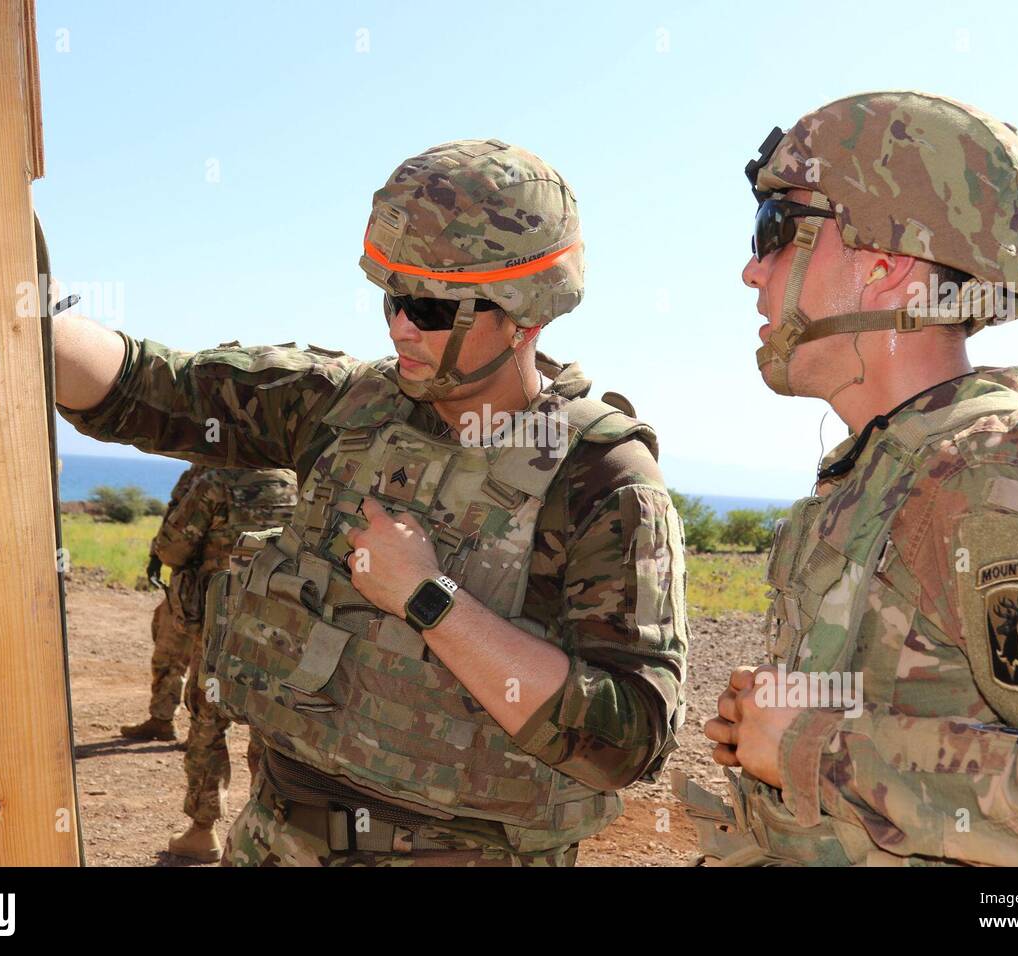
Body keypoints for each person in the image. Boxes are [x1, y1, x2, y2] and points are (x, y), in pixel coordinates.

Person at [53, 139, 688, 866]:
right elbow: (147, 387)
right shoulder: (341, 406)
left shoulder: (600, 477)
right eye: (393, 297)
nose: (399, 327)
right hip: (276, 837)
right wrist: (27, 320)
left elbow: (629, 741)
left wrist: (428, 598)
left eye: (430, 307)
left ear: (524, 313)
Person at [679, 91, 1018, 866]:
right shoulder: (884, 469)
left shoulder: (990, 481)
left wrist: (813, 744)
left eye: (775, 230)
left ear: (885, 265)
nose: (751, 270)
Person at [149, 465, 298, 863]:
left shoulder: (215, 480)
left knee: (209, 720)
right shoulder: (297, 480)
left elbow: (172, 548)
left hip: (221, 625)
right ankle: (270, 835)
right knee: (269, 730)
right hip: (280, 627)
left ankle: (203, 831)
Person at [119, 465, 202, 742]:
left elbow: (176, 541)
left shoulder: (209, 477)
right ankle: (166, 721)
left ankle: (199, 733)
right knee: (180, 653)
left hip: (197, 586)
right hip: (241, 589)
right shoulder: (282, 474)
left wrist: (162, 555)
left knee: (181, 653)